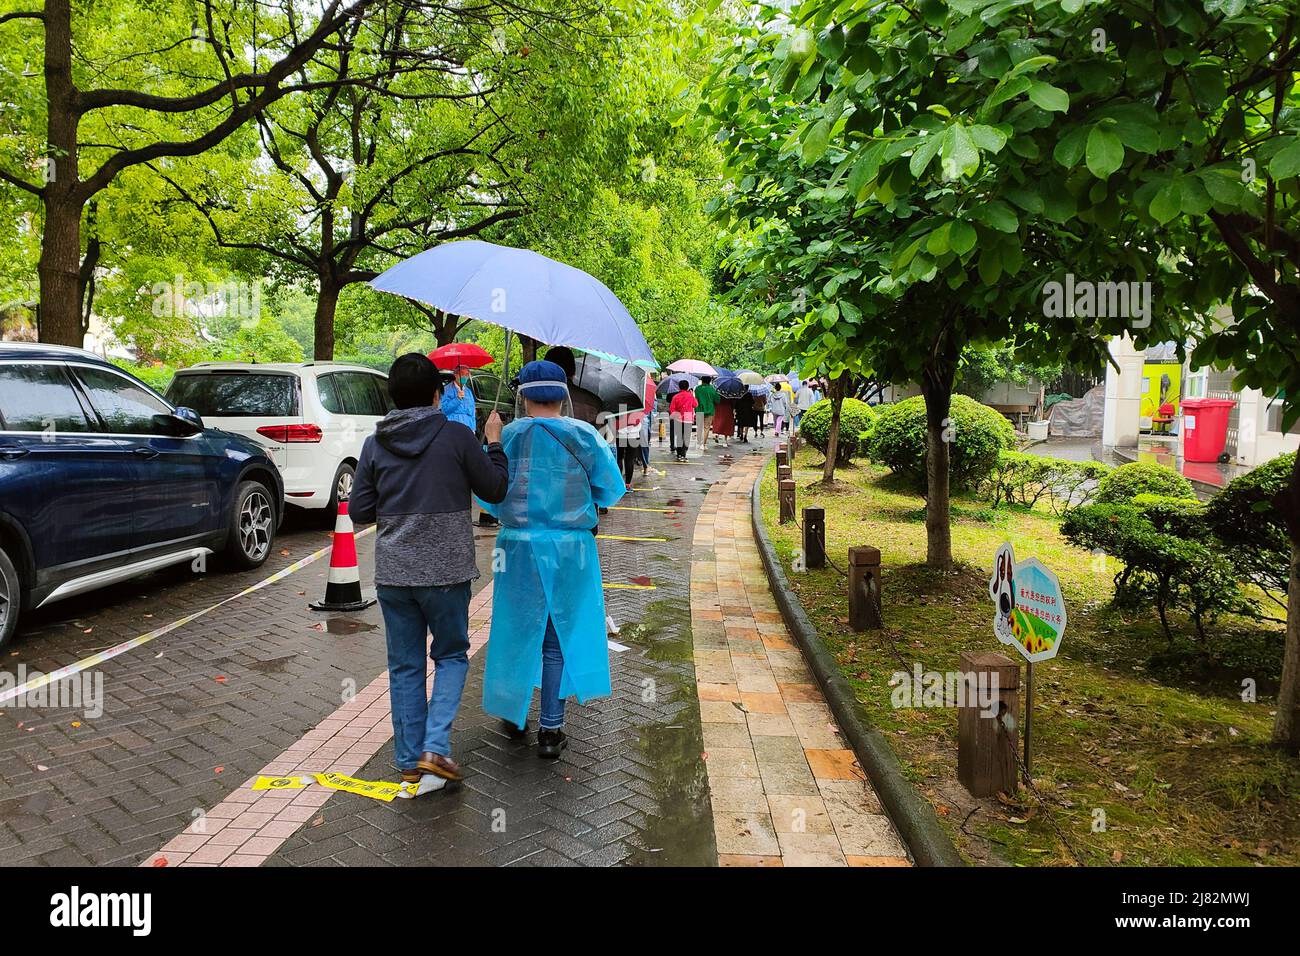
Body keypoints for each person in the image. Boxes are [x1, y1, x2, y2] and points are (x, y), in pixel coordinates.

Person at [349, 354, 508, 787]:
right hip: (446, 573)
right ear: (438, 395)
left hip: (395, 574)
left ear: (392, 398)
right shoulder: (457, 437)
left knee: (404, 665)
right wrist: (494, 442)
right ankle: (435, 748)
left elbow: (360, 510)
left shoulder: (374, 444)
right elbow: (494, 489)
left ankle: (407, 758)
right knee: (452, 655)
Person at [480, 361, 626, 758]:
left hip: (517, 550)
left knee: (515, 629)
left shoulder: (507, 436)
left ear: (523, 395)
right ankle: (551, 729)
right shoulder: (585, 437)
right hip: (571, 551)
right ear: (563, 395)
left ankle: (513, 714)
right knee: (556, 638)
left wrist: (491, 440)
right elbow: (611, 490)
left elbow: (486, 495)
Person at [440, 364, 477, 432]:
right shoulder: (447, 390)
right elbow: (444, 410)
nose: (464, 377)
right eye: (462, 374)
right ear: (455, 374)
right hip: (453, 427)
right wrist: (457, 399)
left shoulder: (468, 392)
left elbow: (472, 411)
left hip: (468, 427)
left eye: (467, 374)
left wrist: (473, 428)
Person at [668, 379, 697, 461]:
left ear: (679, 387)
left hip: (678, 418)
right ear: (688, 387)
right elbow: (695, 405)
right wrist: (692, 395)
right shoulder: (690, 396)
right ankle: (683, 454)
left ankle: (679, 454)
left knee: (679, 437)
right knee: (686, 437)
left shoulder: (675, 397)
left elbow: (671, 409)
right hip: (688, 418)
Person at [694, 375, 719, 451]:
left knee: (699, 427)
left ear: (702, 380)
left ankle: (699, 443)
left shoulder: (697, 389)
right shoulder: (712, 389)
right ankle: (703, 444)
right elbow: (717, 400)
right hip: (709, 410)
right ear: (710, 381)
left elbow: (696, 399)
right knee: (706, 428)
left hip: (699, 410)